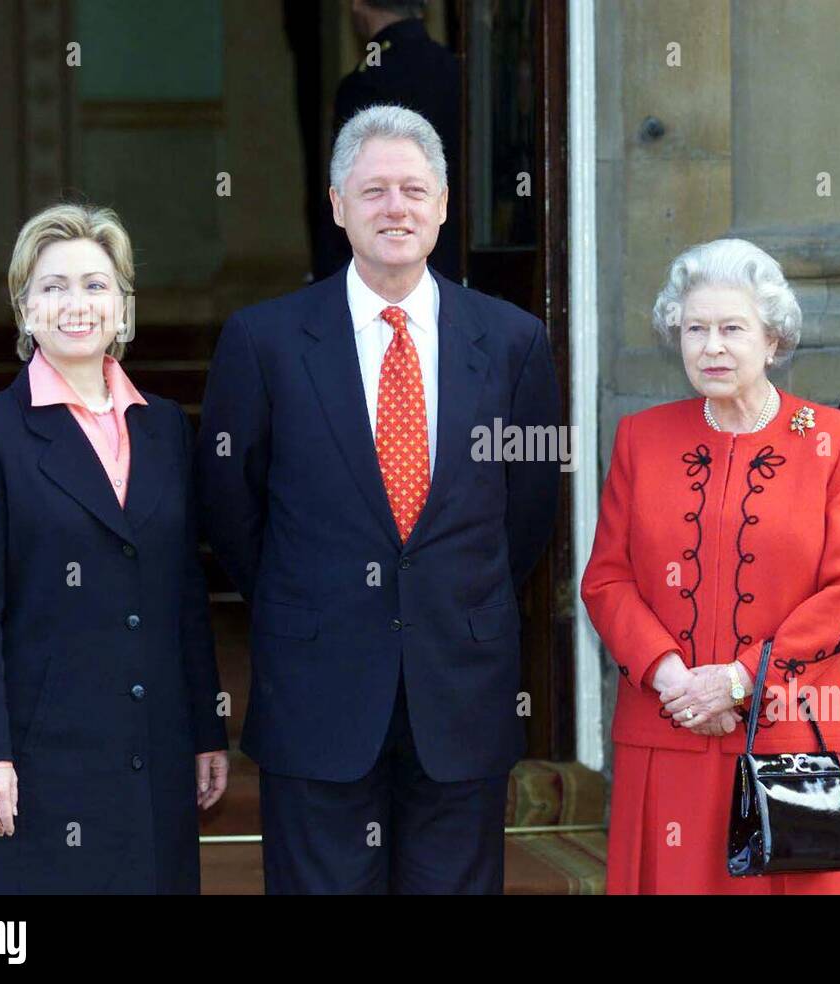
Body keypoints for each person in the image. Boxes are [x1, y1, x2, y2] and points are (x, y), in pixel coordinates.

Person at [196, 104, 560, 894]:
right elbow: (232, 509)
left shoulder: (512, 341)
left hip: (460, 691)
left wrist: (451, 594)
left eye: (412, 190)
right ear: (336, 205)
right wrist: (308, 597)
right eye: (373, 192)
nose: (395, 209)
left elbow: (526, 515)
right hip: (317, 690)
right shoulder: (264, 341)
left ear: (443, 203)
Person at [0, 203, 229, 894]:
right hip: (38, 760)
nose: (77, 304)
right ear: (24, 308)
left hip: (152, 749)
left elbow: (183, 591)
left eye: (97, 286)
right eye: (53, 287)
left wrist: (205, 726)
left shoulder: (164, 427)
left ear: (124, 308)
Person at [581, 238, 840, 894]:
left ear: (773, 340)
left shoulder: (835, 440)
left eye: (731, 329)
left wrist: (741, 680)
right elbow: (606, 579)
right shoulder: (642, 437)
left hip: (790, 734)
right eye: (694, 329)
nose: (711, 346)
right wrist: (674, 681)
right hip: (669, 730)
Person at [311, 0, 463, 283]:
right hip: (453, 260)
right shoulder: (458, 69)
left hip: (378, 271)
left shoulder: (365, 81)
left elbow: (348, 182)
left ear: (358, 6)